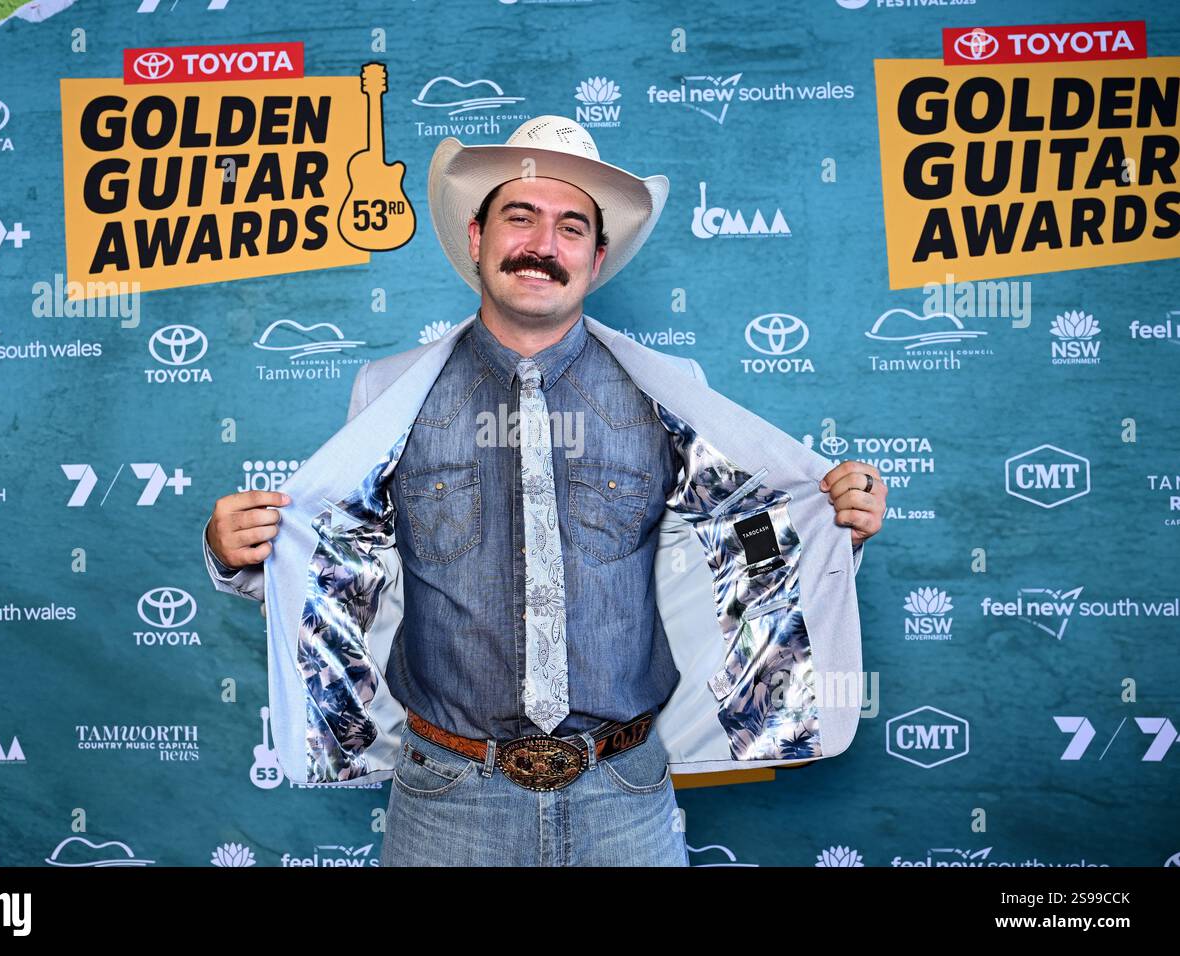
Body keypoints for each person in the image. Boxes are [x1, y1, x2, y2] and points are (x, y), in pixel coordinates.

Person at [204, 115, 886, 866]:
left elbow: (746, 532)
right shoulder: (388, 392)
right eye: (520, 217)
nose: (542, 245)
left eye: (570, 228)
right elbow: (340, 561)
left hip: (624, 797)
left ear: (596, 258)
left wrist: (828, 523)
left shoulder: (669, 392)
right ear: (477, 237)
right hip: (446, 800)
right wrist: (236, 554)